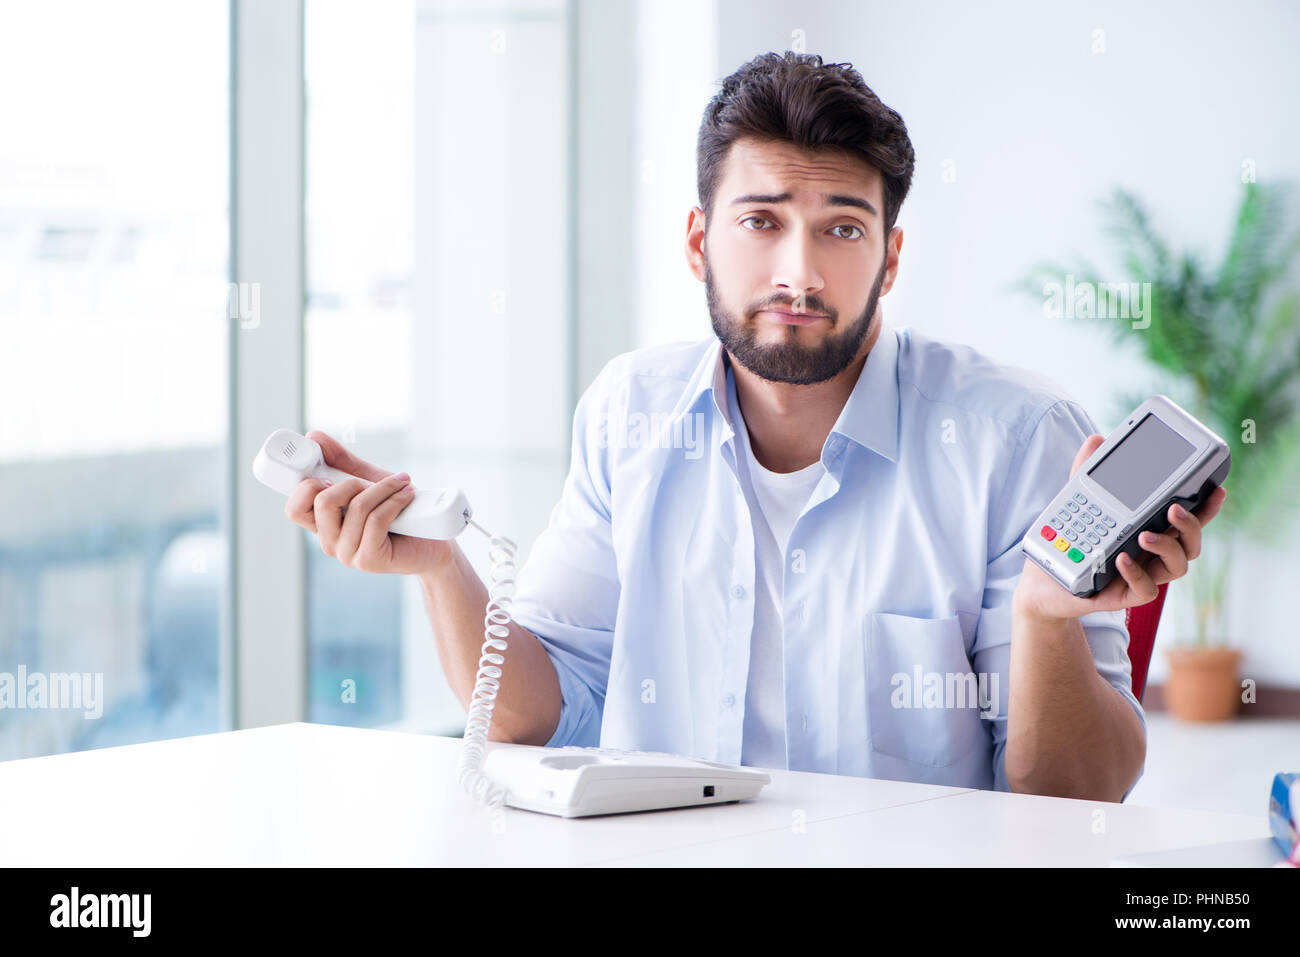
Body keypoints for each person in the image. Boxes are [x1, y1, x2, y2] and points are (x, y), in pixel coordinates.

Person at [284, 51, 1227, 802]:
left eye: (842, 229)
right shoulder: (630, 412)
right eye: (761, 221)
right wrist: (439, 566)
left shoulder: (1016, 438)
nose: (799, 273)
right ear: (699, 240)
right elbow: (533, 711)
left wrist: (1041, 616)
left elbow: (1075, 793)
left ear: (891, 258)